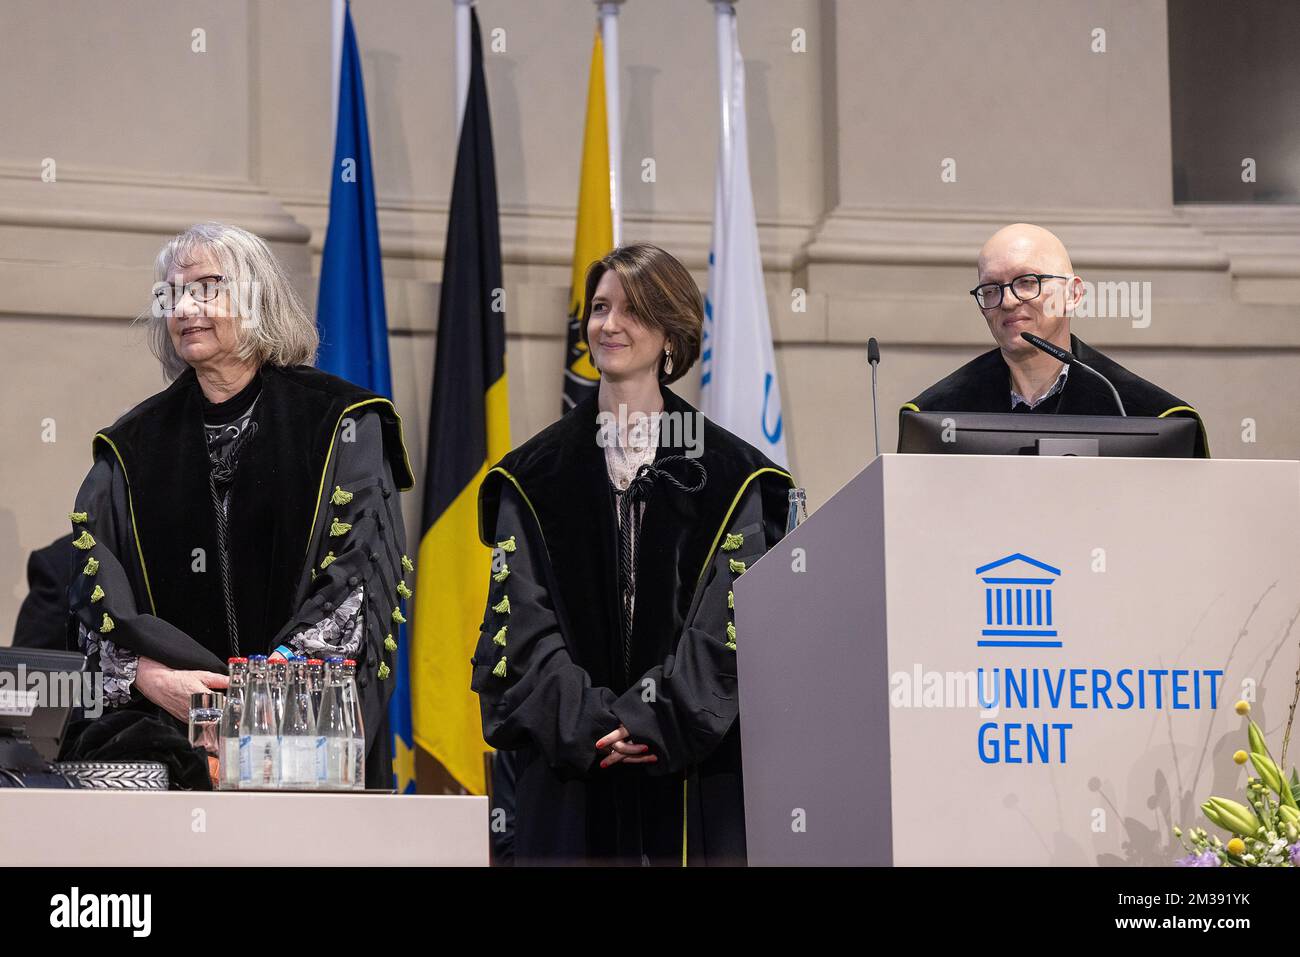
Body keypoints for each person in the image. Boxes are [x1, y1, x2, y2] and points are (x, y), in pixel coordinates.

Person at [471, 243, 794, 865]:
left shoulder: (734, 475)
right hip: (570, 771)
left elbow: (732, 625)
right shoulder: (532, 475)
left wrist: (655, 719)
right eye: (599, 308)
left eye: (632, 309)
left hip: (694, 776)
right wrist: (593, 723)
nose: (609, 324)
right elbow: (521, 624)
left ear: (671, 333)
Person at [64, 222, 416, 787]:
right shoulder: (130, 447)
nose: (185, 308)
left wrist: (252, 706)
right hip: (166, 740)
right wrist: (149, 677)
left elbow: (356, 585)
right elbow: (93, 598)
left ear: (260, 298)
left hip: (305, 744)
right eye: (172, 293)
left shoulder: (341, 423)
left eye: (207, 288)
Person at [901, 223, 1209, 456]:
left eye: (1027, 282)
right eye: (992, 289)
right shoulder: (937, 413)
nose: (1008, 301)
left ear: (1073, 294)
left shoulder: (1146, 414)